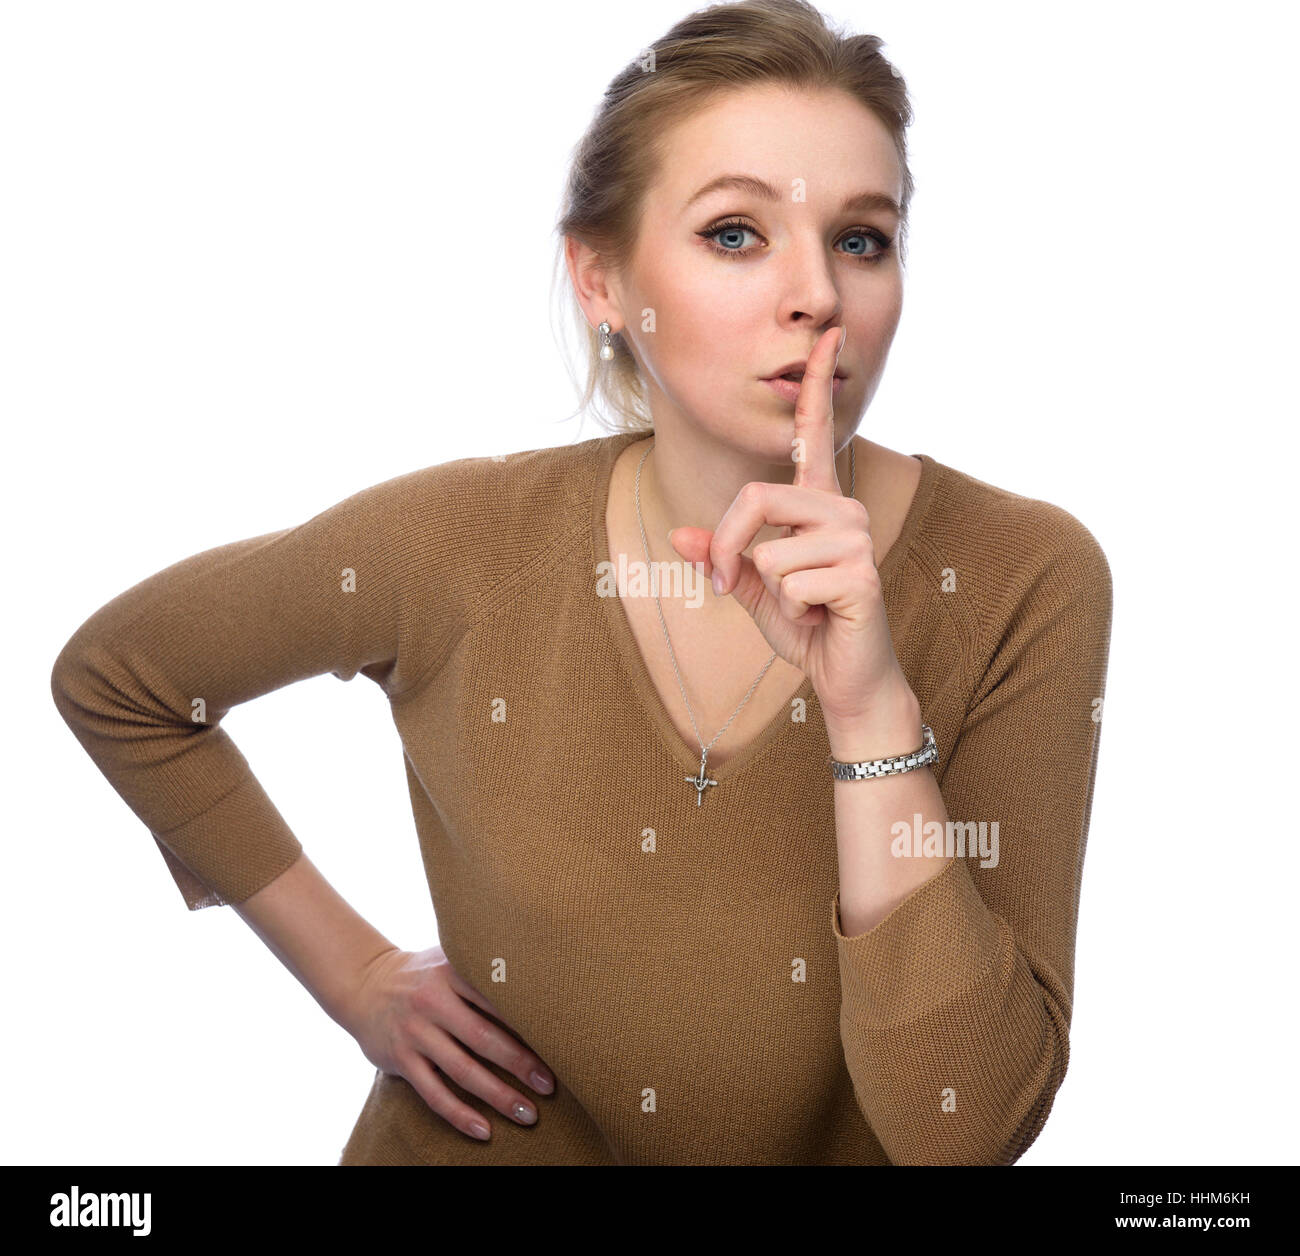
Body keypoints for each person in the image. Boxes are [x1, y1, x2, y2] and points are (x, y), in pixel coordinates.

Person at [49, 0, 1112, 1166]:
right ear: (601, 281)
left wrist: (871, 716)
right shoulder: (452, 541)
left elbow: (964, 1130)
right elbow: (123, 677)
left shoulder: (1025, 576)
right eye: (735, 234)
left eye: (861, 238)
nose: (817, 293)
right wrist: (352, 973)